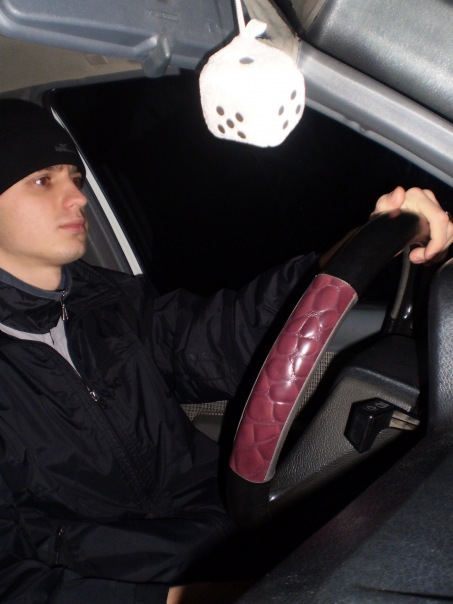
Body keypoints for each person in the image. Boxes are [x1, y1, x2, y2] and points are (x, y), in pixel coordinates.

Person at [0, 99, 450, 604]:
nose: (77, 198)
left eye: (76, 179)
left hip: (226, 527)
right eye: (43, 180)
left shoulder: (111, 302)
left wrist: (367, 235)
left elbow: (228, 338)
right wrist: (185, 598)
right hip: (125, 585)